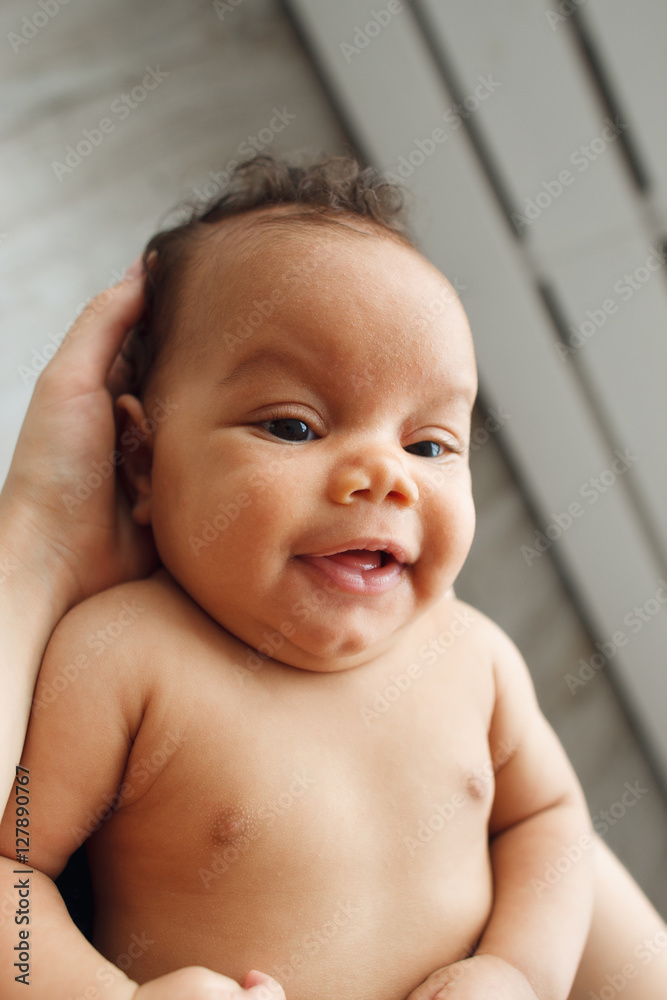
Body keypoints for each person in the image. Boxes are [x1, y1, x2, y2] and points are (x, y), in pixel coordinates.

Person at [0, 154, 664, 1000]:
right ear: (139, 459)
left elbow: (550, 823)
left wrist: (515, 972)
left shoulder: (474, 657)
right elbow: (14, 877)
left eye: (427, 445)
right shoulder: (123, 654)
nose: (384, 477)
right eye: (292, 425)